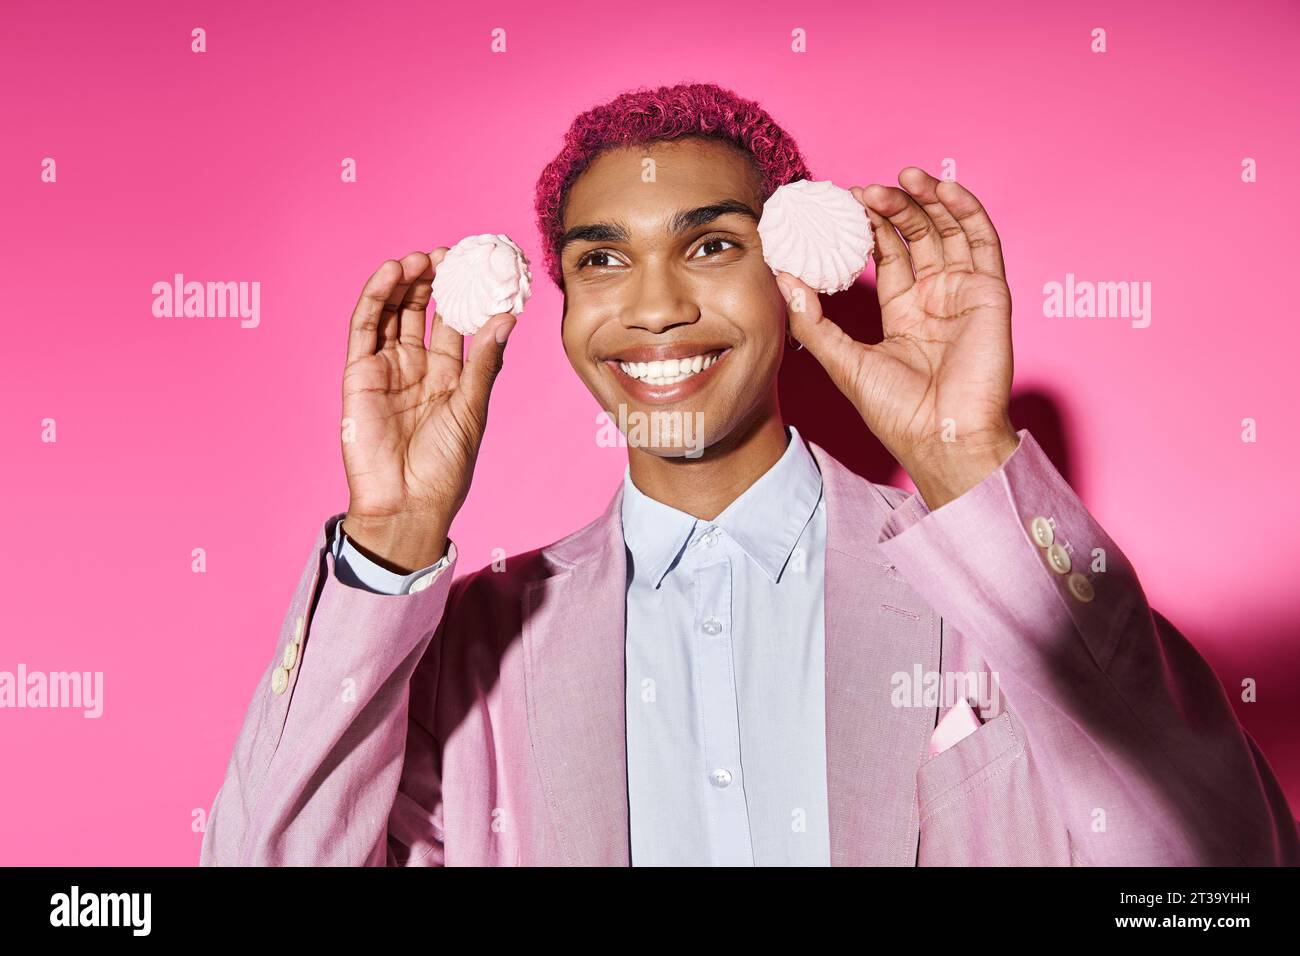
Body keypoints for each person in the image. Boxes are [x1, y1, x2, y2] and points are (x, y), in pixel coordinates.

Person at [199, 82, 1298, 866]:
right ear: (566, 309)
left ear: (789, 276)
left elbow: (1229, 863)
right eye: (601, 259)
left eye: (711, 245)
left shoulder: (986, 589)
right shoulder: (467, 653)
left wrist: (968, 463)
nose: (655, 304)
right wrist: (388, 539)